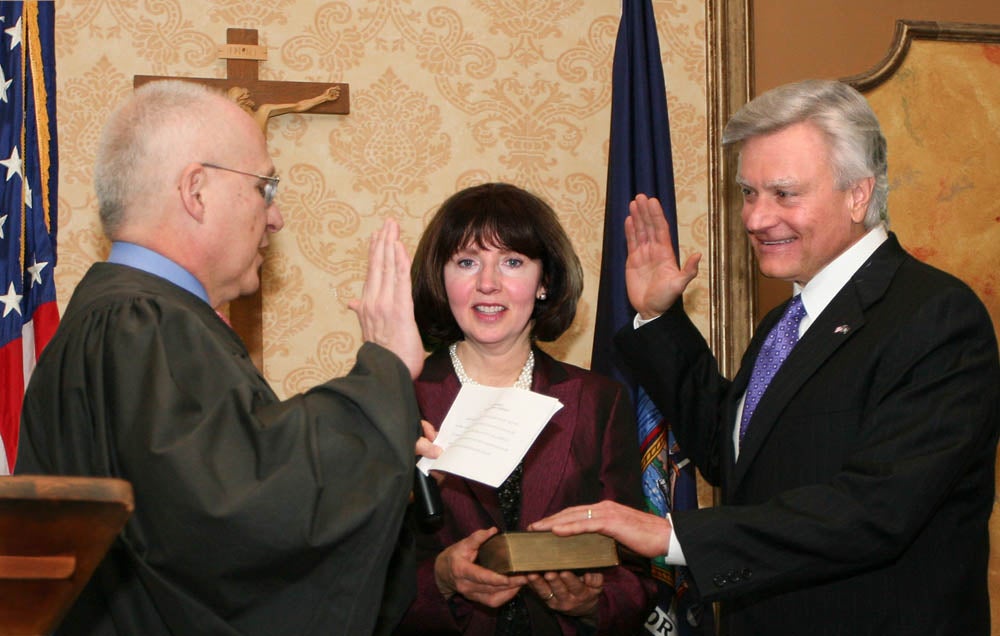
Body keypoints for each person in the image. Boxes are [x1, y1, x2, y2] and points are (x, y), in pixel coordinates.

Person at [530, 79, 1000, 635]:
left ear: (858, 194)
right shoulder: (790, 319)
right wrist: (659, 319)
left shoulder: (935, 316)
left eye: (784, 193)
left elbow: (878, 509)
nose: (755, 219)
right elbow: (731, 455)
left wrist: (673, 536)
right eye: (749, 193)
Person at [16, 80, 432, 636]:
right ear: (196, 191)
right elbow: (235, 510)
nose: (276, 215)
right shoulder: (142, 323)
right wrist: (383, 376)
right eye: (266, 186)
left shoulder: (123, 317)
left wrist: (385, 455)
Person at [395, 183, 657, 635]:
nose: (488, 283)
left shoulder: (597, 400)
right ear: (441, 279)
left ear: (545, 282)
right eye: (466, 262)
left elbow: (636, 564)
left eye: (512, 261)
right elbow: (355, 569)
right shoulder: (397, 397)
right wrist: (439, 578)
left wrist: (592, 603)